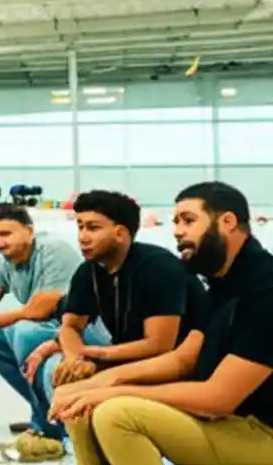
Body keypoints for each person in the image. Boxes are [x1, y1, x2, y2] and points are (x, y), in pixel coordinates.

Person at [50, 182, 273, 464]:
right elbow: (184, 359)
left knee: (116, 414)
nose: (178, 231)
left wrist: (110, 390)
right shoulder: (223, 283)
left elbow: (218, 397)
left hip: (260, 431)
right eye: (176, 222)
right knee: (80, 407)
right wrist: (100, 381)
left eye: (188, 221)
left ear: (227, 222)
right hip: (229, 420)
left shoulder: (265, 288)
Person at [22, 189, 209, 455]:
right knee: (58, 368)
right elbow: (70, 326)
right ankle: (74, 445)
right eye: (80, 226)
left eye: (93, 228)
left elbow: (160, 345)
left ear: (120, 233)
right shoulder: (90, 271)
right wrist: (76, 359)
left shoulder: (158, 268)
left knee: (79, 382)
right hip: (127, 357)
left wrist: (98, 356)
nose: (83, 237)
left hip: (177, 366)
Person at [0, 204, 83, 442]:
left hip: (76, 326)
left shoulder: (53, 251)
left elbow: (39, 310)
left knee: (22, 332)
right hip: (42, 325)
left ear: (29, 231)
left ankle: (48, 422)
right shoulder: (3, 264)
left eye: (6, 234)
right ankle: (43, 410)